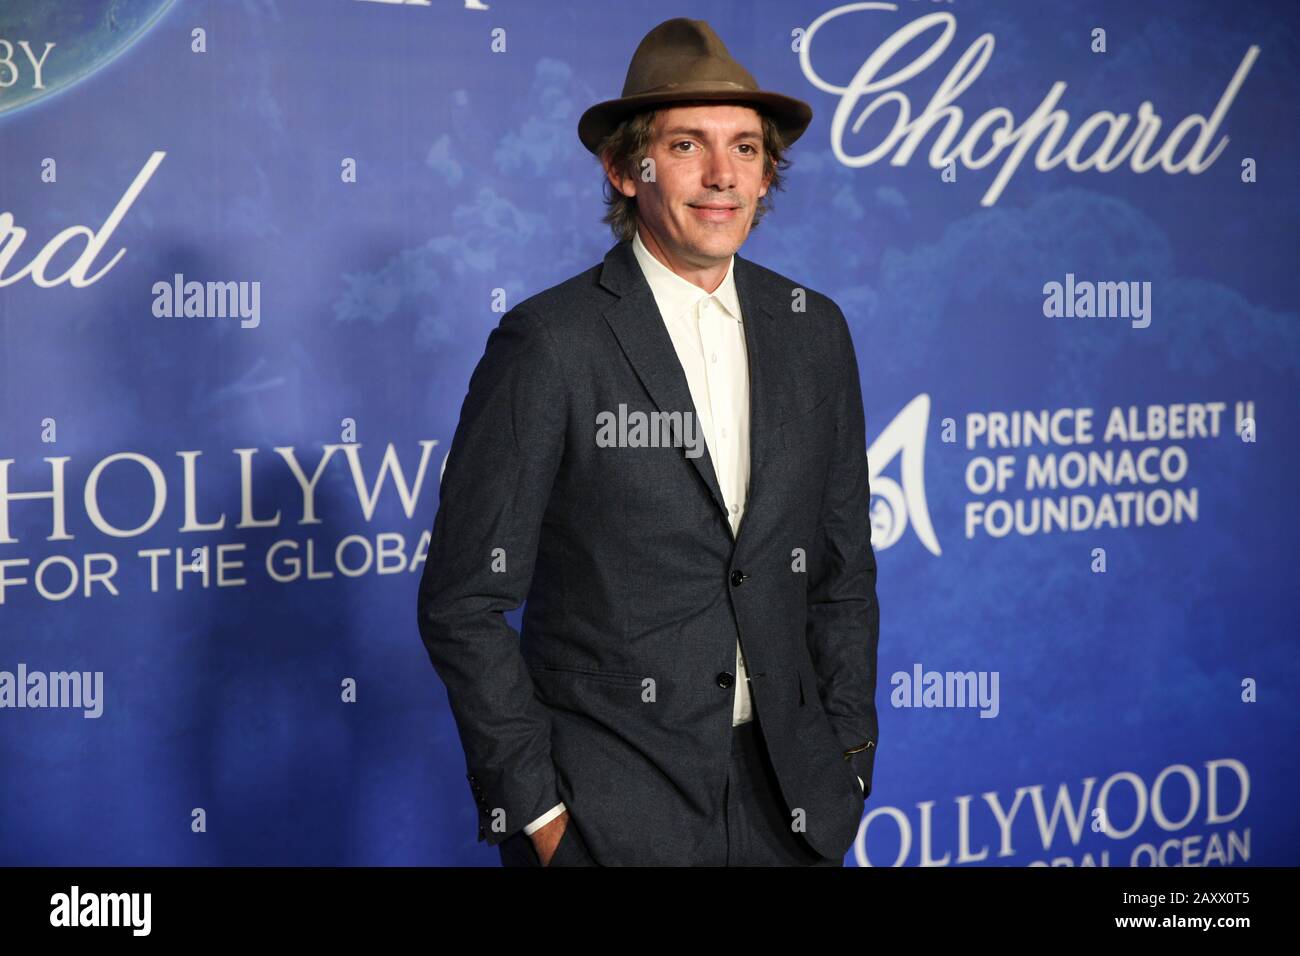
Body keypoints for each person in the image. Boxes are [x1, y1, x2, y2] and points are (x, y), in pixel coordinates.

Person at [417, 17, 880, 866]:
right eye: (686, 145)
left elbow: (842, 572)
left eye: (745, 149)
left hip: (794, 805)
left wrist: (848, 757)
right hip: (608, 815)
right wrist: (542, 816)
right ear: (624, 168)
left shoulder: (815, 331)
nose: (721, 177)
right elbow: (463, 601)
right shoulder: (550, 343)